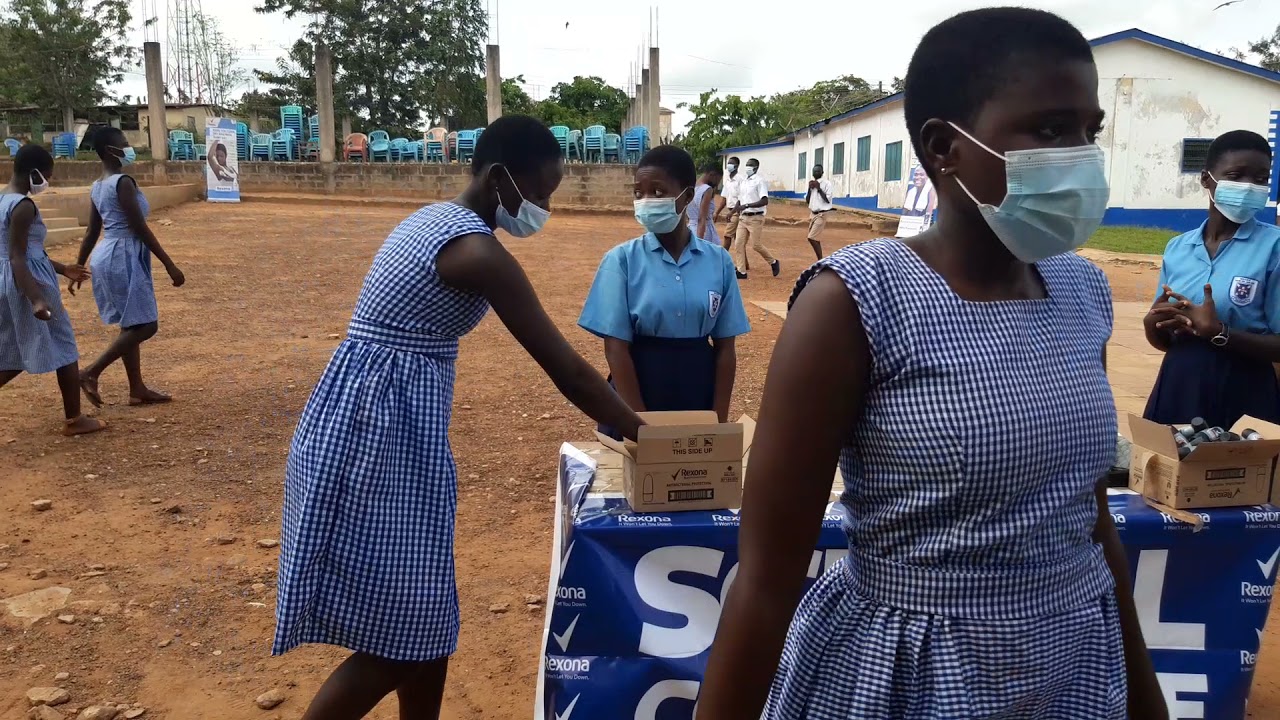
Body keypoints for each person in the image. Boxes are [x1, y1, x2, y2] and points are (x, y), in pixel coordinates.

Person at [698, 8, 1165, 720]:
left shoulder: (1083, 289)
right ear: (945, 148)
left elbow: (1089, 514)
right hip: (912, 674)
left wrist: (1144, 697)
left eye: (1088, 131)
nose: (1079, 155)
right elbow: (766, 578)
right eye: (1047, 130)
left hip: (1072, 667)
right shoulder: (853, 302)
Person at [273, 115, 644, 720]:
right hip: (377, 441)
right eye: (541, 194)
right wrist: (656, 436)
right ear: (500, 178)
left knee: (428, 622)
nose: (544, 209)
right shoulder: (476, 251)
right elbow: (569, 371)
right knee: (398, 644)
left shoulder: (431, 219)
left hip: (373, 425)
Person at [578, 146, 749, 438]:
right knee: (638, 476)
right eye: (638, 193)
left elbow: (725, 348)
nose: (646, 201)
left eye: (657, 192)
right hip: (638, 388)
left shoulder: (718, 261)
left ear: (687, 196)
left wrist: (718, 423)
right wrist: (639, 425)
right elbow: (616, 349)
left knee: (694, 476)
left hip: (698, 390)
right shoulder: (621, 261)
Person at [1143, 129, 1280, 429]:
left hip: (1244, 392)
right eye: (1236, 175)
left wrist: (1220, 332)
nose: (1249, 187)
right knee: (1169, 470)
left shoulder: (1274, 247)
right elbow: (1168, 339)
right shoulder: (1178, 248)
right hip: (1179, 384)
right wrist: (1152, 326)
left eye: (1260, 179)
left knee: (1234, 472)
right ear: (1206, 179)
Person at [73, 127, 185, 408]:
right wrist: (170, 265)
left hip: (107, 254)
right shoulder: (122, 183)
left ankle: (137, 389)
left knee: (131, 323)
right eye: (124, 144)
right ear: (110, 151)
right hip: (122, 255)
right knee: (147, 325)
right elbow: (140, 227)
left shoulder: (98, 185)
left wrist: (78, 264)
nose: (129, 148)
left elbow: (91, 231)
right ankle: (90, 372)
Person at [0, 144, 105, 436]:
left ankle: (74, 417)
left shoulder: (2, 200)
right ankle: (74, 419)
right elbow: (18, 256)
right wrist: (36, 299)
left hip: (9, 280)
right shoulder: (24, 206)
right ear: (33, 173)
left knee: (12, 351)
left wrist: (63, 268)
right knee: (65, 345)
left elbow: (22, 251)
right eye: (47, 175)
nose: (48, 181)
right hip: (29, 283)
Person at [732, 158, 780, 280]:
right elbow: (740, 199)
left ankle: (773, 262)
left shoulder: (760, 181)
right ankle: (741, 271)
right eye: (747, 165)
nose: (748, 167)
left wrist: (748, 205)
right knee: (738, 243)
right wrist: (733, 211)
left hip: (756, 217)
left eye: (750, 165)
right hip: (743, 217)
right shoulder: (744, 181)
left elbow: (765, 200)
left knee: (756, 245)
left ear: (756, 168)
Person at [804, 163, 834, 260]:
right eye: (814, 171)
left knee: (811, 237)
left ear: (822, 172)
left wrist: (819, 189)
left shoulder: (827, 184)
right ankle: (820, 259)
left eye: (818, 171)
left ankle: (820, 260)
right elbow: (807, 201)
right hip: (813, 214)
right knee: (814, 238)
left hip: (821, 214)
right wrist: (809, 189)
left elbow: (828, 200)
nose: (816, 172)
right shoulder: (812, 183)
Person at [690, 162, 723, 246]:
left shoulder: (691, 187)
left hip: (691, 228)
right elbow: (701, 219)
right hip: (704, 231)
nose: (716, 184)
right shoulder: (707, 189)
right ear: (712, 175)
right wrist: (699, 242)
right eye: (717, 180)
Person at [715, 155, 742, 254]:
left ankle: (722, 258)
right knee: (738, 240)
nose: (729, 165)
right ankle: (744, 263)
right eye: (728, 163)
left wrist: (733, 212)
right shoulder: (728, 181)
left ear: (737, 166)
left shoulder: (740, 180)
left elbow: (741, 199)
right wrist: (717, 212)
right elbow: (724, 199)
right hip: (730, 211)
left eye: (731, 163)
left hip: (737, 212)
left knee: (727, 235)